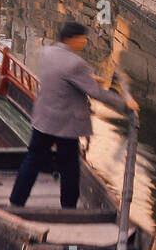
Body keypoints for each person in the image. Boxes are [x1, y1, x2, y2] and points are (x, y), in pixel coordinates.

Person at [9, 21, 139, 210]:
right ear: (71, 39)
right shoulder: (76, 63)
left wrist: (88, 78)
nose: (84, 41)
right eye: (82, 38)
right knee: (69, 167)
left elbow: (61, 77)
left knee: (33, 160)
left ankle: (16, 200)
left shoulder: (48, 52)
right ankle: (69, 208)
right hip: (65, 126)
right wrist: (125, 104)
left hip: (43, 120)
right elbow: (97, 93)